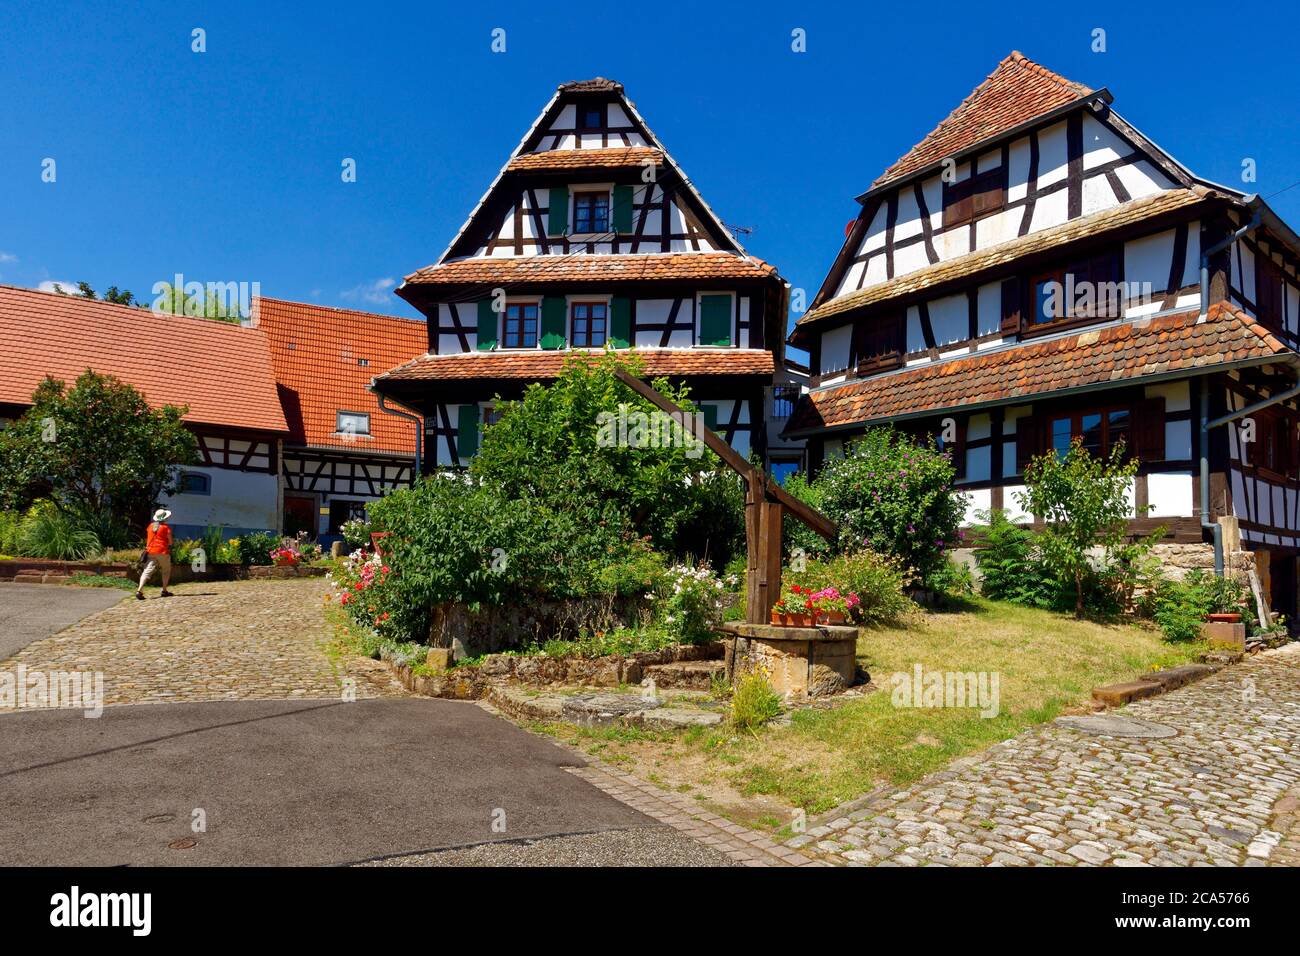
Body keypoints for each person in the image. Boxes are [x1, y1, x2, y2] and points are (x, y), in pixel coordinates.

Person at [136, 508, 174, 600]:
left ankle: (139, 590)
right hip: (162, 552)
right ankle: (164, 591)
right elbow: (170, 542)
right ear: (165, 518)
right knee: (166, 570)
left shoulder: (150, 526)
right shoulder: (166, 527)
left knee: (146, 571)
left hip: (151, 551)